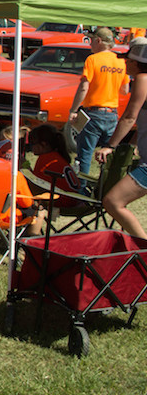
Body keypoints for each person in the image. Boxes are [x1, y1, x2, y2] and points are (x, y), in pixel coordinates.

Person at [96, 41, 147, 238]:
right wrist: (133, 143)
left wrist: (110, 146)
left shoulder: (143, 79)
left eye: (128, 59)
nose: (125, 63)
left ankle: (143, 251)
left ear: (138, 62)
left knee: (112, 202)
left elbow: (129, 117)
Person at [67, 27, 128, 179]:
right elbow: (125, 90)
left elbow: (83, 87)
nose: (90, 44)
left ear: (99, 41)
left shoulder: (93, 59)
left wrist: (73, 110)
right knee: (109, 155)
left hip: (92, 114)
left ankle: (81, 191)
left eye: (91, 40)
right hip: (112, 114)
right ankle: (105, 189)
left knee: (85, 155)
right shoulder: (121, 61)